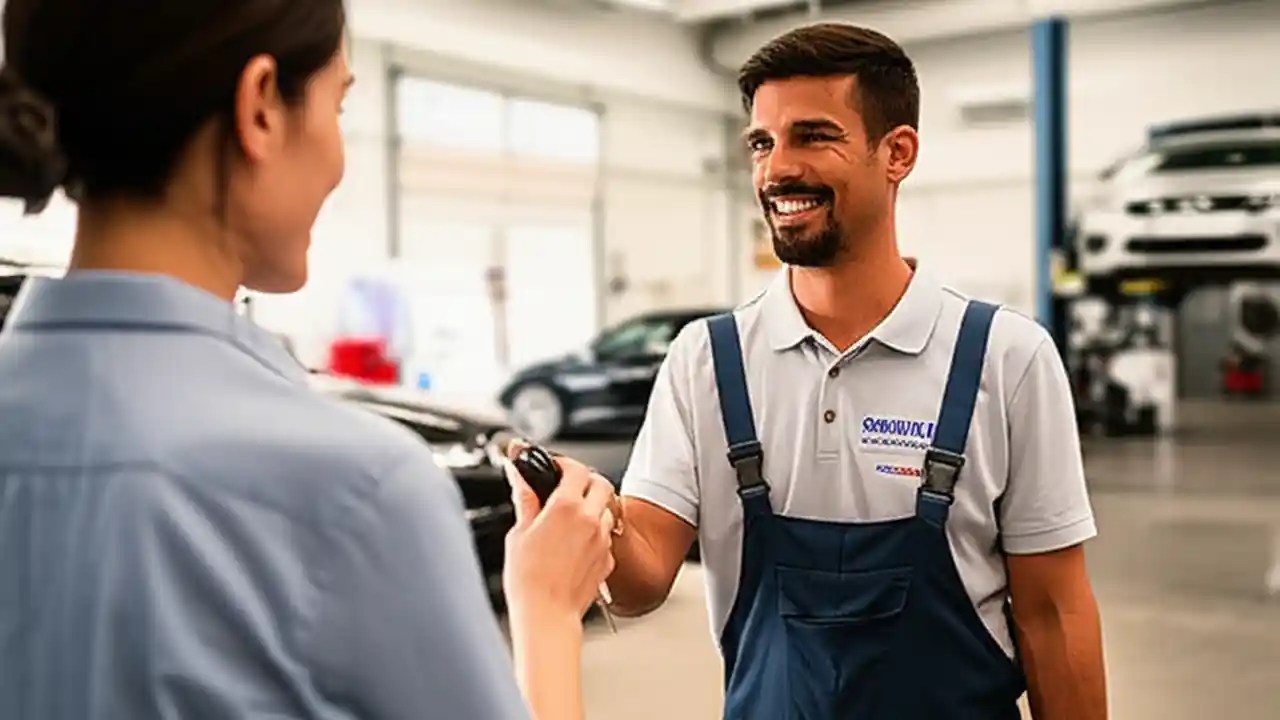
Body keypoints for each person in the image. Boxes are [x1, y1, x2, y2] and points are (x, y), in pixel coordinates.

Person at [0, 2, 615, 719]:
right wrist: (547, 607)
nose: (337, 162)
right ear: (261, 106)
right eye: (338, 105)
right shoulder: (358, 489)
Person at [601, 23, 1109, 719]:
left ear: (897, 153)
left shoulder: (1007, 357)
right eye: (761, 143)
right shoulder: (706, 361)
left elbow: (1053, 612)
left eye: (812, 136)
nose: (776, 170)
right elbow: (638, 585)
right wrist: (588, 522)